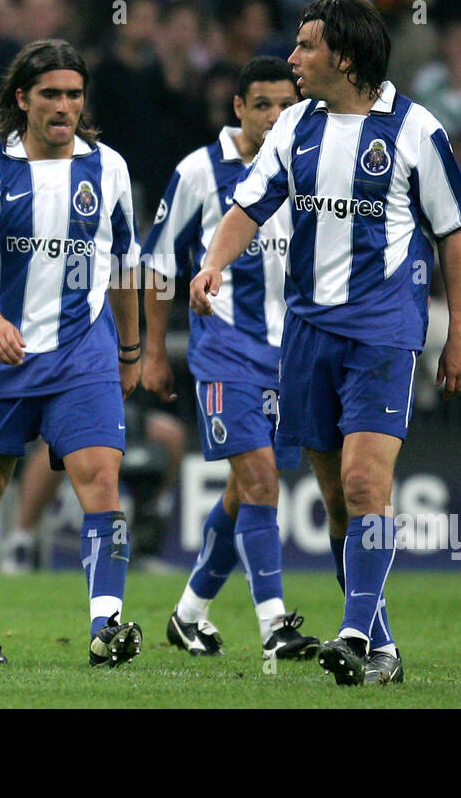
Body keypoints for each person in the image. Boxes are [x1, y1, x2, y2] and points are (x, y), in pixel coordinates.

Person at [190, 0, 461, 686]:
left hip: (384, 334)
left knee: (364, 480)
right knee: (338, 501)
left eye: (306, 47)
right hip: (308, 333)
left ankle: (351, 633)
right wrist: (213, 264)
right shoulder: (294, 128)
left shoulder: (415, 130)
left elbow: (455, 236)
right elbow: (248, 206)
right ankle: (380, 645)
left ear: (344, 58)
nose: (292, 59)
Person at [0, 39, 143, 668]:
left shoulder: (108, 167)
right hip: (3, 354)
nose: (64, 106)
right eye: (51, 94)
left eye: (74, 94)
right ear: (23, 99)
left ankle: (105, 627)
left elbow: (126, 265)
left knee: (101, 480)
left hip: (83, 350)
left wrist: (131, 351)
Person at [141, 55, 321, 660]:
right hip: (224, 351)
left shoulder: (308, 167)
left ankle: (190, 612)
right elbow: (161, 265)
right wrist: (155, 352)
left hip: (289, 354)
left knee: (245, 490)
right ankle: (275, 626)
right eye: (262, 105)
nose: (274, 117)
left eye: (284, 105)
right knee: (260, 480)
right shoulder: (198, 172)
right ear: (238, 108)